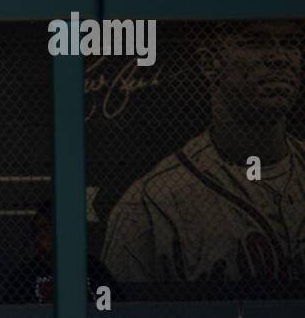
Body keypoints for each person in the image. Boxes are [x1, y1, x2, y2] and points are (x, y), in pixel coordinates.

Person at [102, 21, 305, 294]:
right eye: (255, 42)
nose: (279, 58)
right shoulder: (151, 206)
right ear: (210, 63)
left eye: (291, 44)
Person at [3, 202, 123, 303]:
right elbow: (11, 316)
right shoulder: (25, 275)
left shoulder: (92, 268)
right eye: (36, 231)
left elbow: (109, 310)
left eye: (46, 228)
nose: (40, 236)